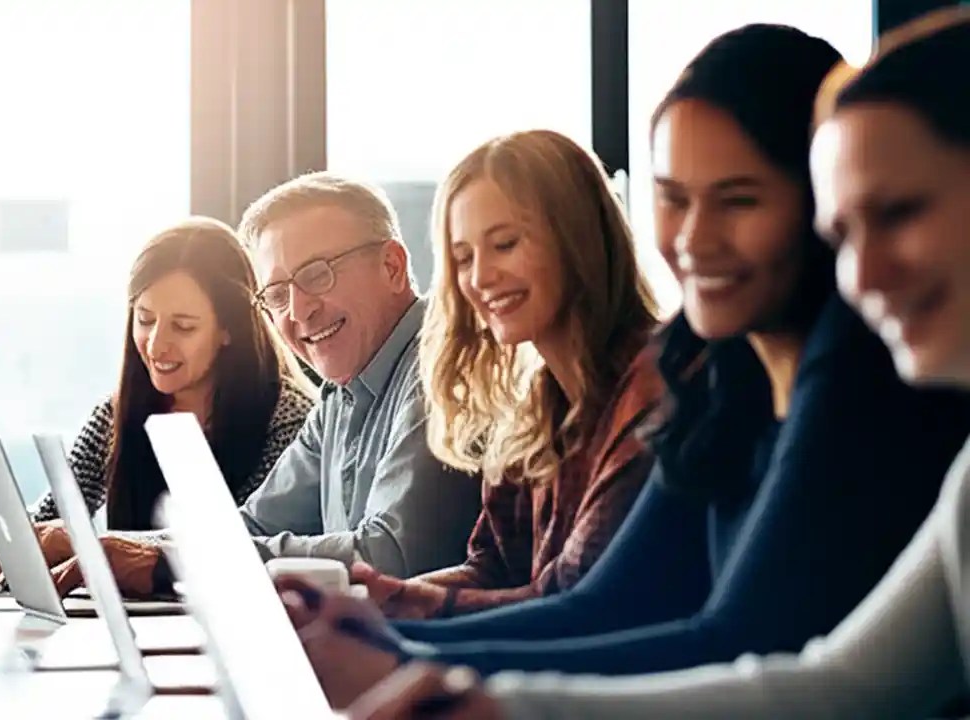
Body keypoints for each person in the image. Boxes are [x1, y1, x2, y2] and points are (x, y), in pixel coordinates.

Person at [280, 24, 970, 708]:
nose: (695, 239)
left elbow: (747, 647)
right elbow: (611, 606)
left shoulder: (850, 381)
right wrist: (394, 650)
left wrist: (444, 677)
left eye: (740, 200)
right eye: (672, 199)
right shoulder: (719, 374)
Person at [54, 173, 482, 597]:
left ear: (392, 266)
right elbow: (250, 527)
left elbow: (390, 556)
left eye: (317, 275)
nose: (298, 311)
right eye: (277, 293)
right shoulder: (340, 395)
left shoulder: (445, 367)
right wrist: (96, 547)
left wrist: (168, 564)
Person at [349, 129, 663, 620]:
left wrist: (397, 608)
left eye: (505, 244)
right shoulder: (538, 405)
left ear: (576, 235)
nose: (479, 277)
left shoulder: (654, 386)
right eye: (463, 257)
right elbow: (493, 568)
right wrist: (378, 597)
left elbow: (572, 601)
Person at [0, 217, 316, 582]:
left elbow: (247, 538)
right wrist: (3, 542)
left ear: (229, 329)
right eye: (145, 320)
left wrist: (86, 543)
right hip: (132, 623)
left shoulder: (287, 419)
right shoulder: (116, 413)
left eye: (184, 326)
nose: (156, 344)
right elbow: (56, 516)